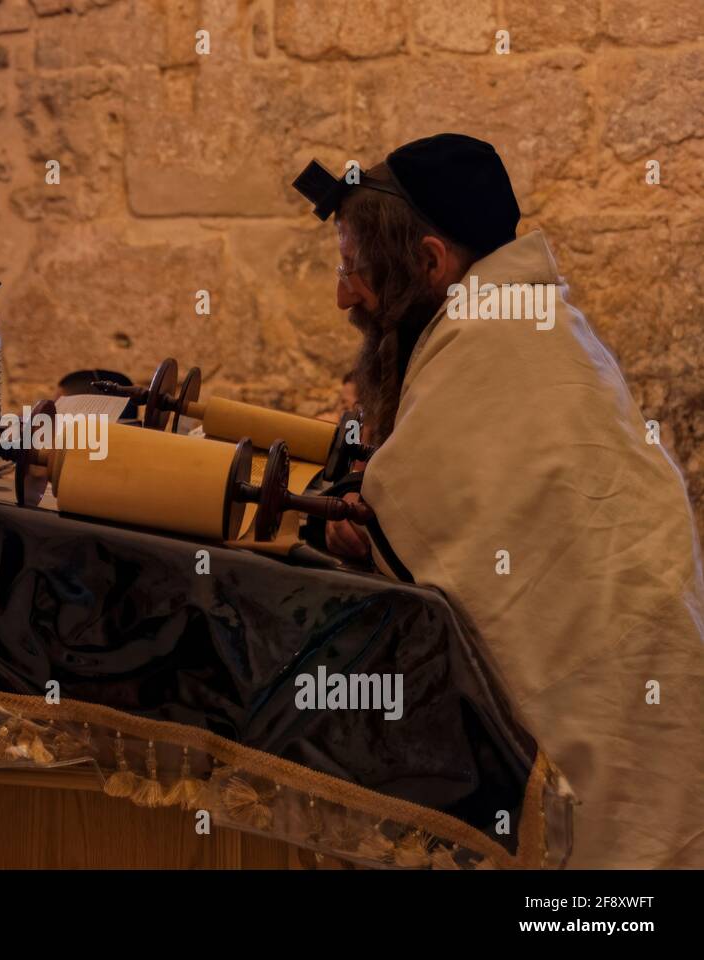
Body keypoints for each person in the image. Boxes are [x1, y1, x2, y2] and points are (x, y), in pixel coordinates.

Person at [295, 133, 704, 867]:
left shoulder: (496, 337)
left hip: (615, 702)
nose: (342, 295)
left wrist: (367, 517)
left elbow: (420, 504)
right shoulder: (520, 324)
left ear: (429, 261)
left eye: (356, 271)